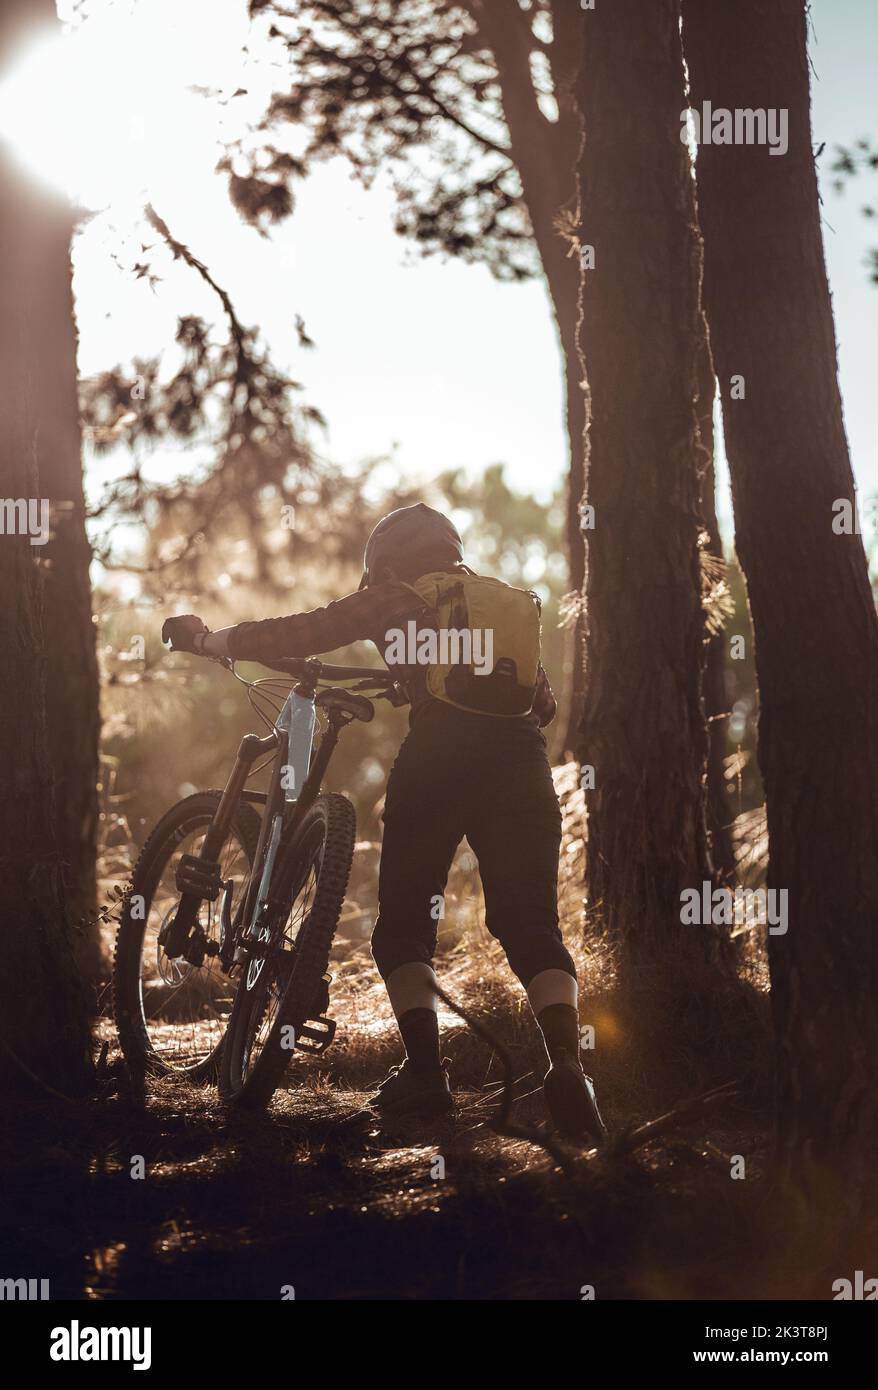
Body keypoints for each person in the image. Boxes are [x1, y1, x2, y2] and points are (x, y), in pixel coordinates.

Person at [162, 503, 606, 1141]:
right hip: (522, 766)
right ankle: (569, 1065)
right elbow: (541, 700)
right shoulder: (500, 604)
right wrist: (414, 678)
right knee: (531, 924)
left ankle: (426, 1074)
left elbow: (305, 631)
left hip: (438, 759)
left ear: (389, 565)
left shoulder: (396, 594)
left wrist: (212, 641)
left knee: (401, 929)